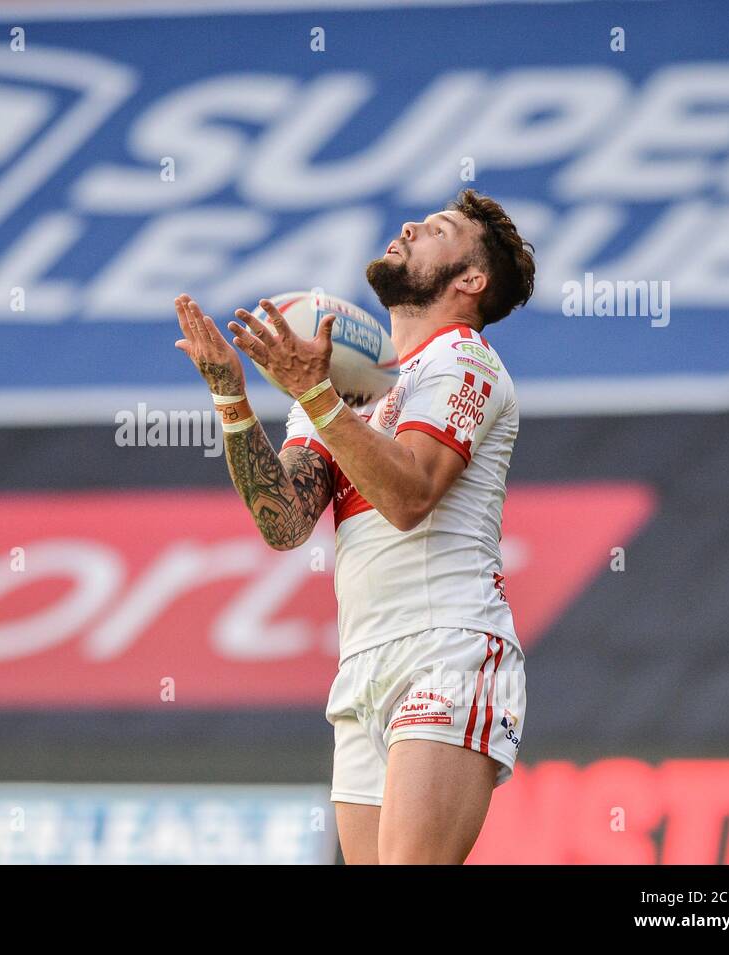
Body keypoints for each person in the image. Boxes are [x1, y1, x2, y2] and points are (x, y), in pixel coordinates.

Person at [173, 189, 536, 864]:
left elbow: (410, 495)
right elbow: (283, 522)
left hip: (448, 648)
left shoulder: (464, 360)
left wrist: (314, 393)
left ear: (470, 280)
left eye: (436, 230)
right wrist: (232, 394)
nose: (408, 227)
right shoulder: (345, 389)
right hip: (363, 668)